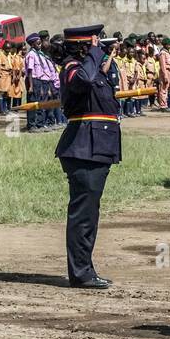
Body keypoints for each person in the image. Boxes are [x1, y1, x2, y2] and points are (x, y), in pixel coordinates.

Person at [53, 25, 121, 289]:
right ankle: (81, 273)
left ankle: (85, 268)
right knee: (83, 213)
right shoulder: (72, 67)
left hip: (96, 147)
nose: (99, 48)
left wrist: (101, 57)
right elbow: (82, 82)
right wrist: (94, 53)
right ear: (83, 47)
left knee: (90, 212)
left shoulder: (92, 69)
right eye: (93, 44)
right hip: (84, 147)